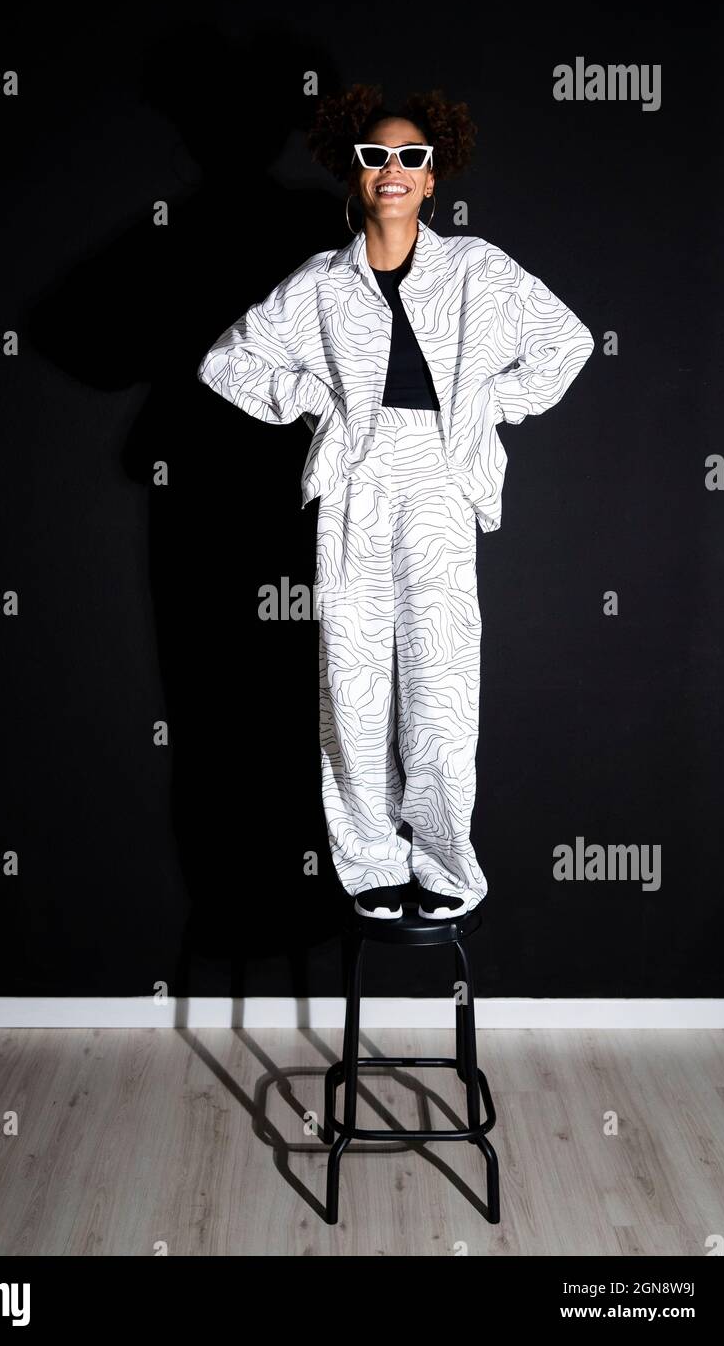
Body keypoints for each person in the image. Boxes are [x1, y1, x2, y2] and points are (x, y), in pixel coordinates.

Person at [197, 83, 594, 921]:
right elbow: (228, 362)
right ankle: (371, 858)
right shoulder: (320, 286)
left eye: (411, 157)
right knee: (354, 676)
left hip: (443, 482)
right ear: (357, 168)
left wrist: (493, 404)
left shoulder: (477, 270)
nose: (393, 169)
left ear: (433, 174)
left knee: (443, 682)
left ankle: (446, 862)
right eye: (377, 155)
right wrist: (316, 398)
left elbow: (566, 343)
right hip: (357, 480)